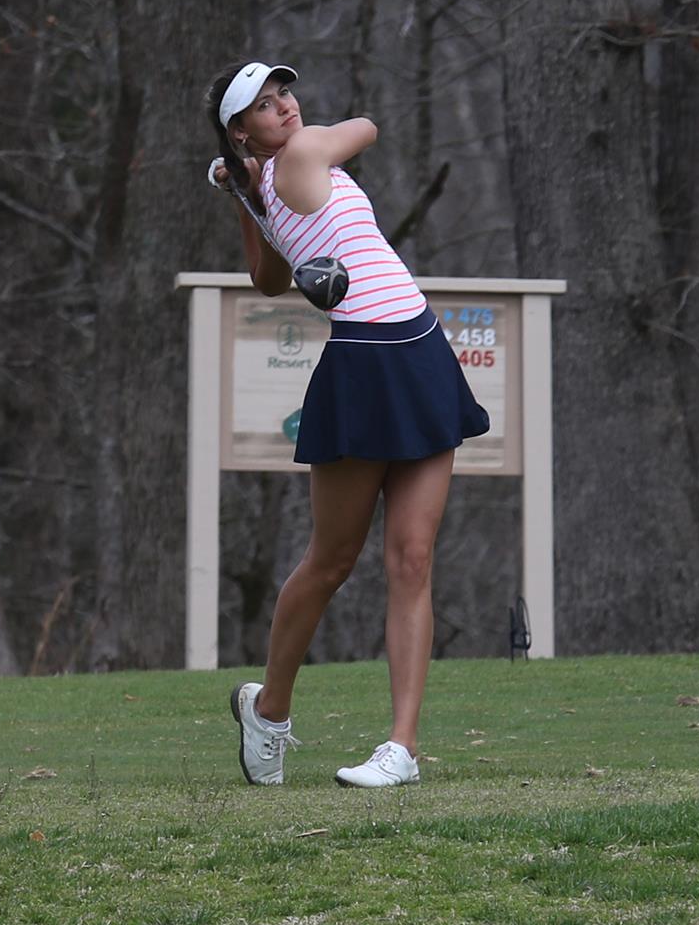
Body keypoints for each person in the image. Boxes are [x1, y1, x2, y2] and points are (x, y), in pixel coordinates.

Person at [206, 60, 489, 789]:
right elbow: (365, 129)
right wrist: (246, 193)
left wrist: (242, 186)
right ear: (242, 133)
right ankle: (269, 710)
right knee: (330, 562)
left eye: (286, 95)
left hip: (420, 347)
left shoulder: (285, 165)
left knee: (412, 560)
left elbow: (274, 268)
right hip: (364, 359)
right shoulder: (289, 164)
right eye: (266, 108)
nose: (289, 110)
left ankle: (401, 749)